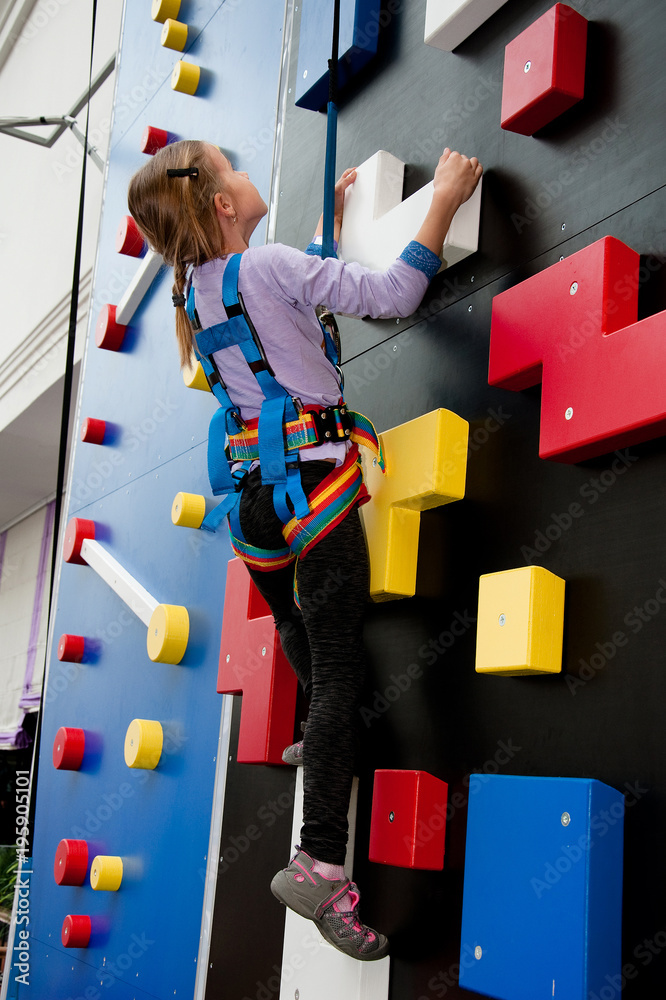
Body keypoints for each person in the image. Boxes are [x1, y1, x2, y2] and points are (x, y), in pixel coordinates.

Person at [128, 140, 482, 961]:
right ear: (221, 204)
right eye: (234, 169)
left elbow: (277, 325)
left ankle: (317, 730)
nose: (249, 178)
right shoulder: (272, 264)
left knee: (309, 648)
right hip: (316, 491)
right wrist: (446, 201)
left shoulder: (195, 288)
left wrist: (325, 226)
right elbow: (394, 294)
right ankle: (320, 863)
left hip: (255, 504)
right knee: (340, 673)